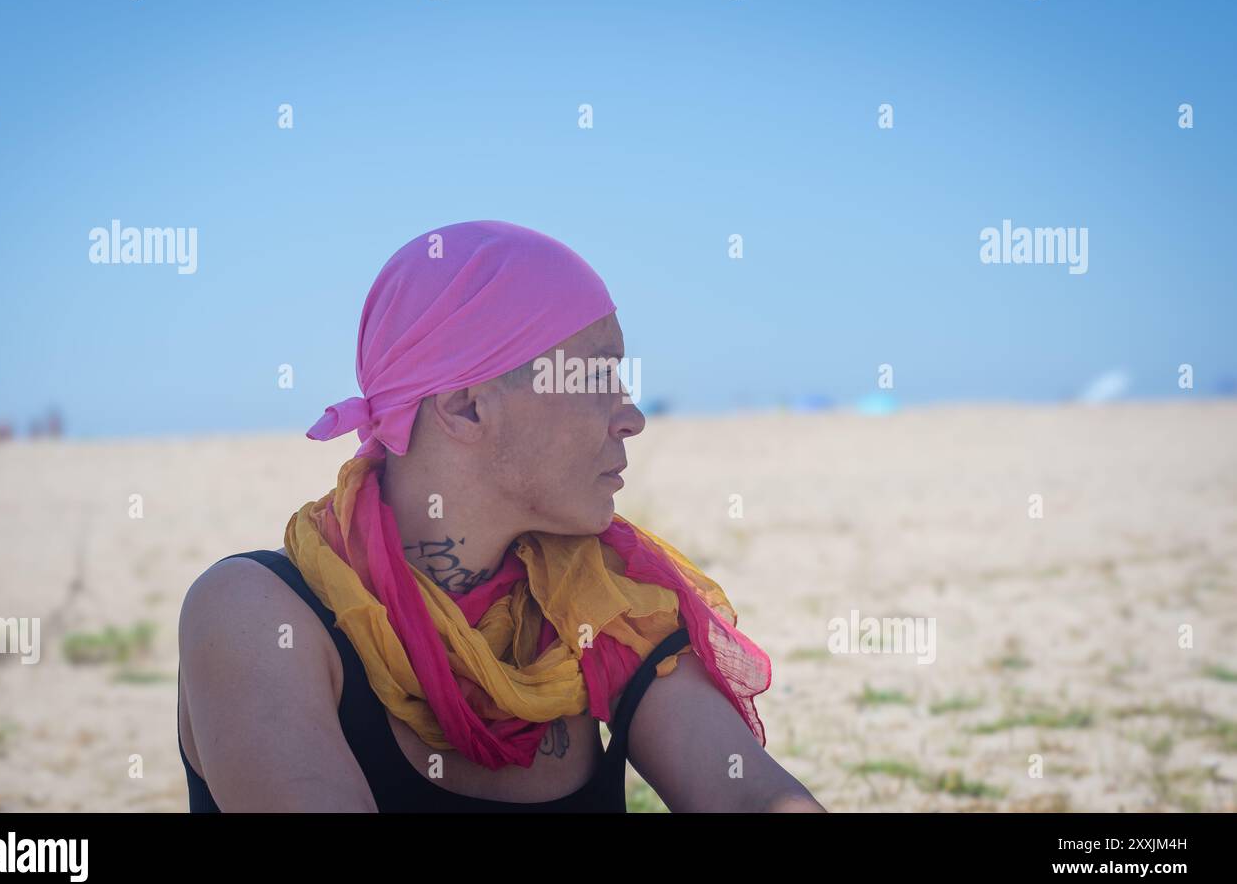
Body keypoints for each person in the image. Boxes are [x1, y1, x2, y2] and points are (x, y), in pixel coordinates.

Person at [177, 220, 825, 812]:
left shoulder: (600, 601)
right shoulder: (256, 616)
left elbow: (751, 799)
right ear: (466, 408)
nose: (631, 416)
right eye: (596, 376)